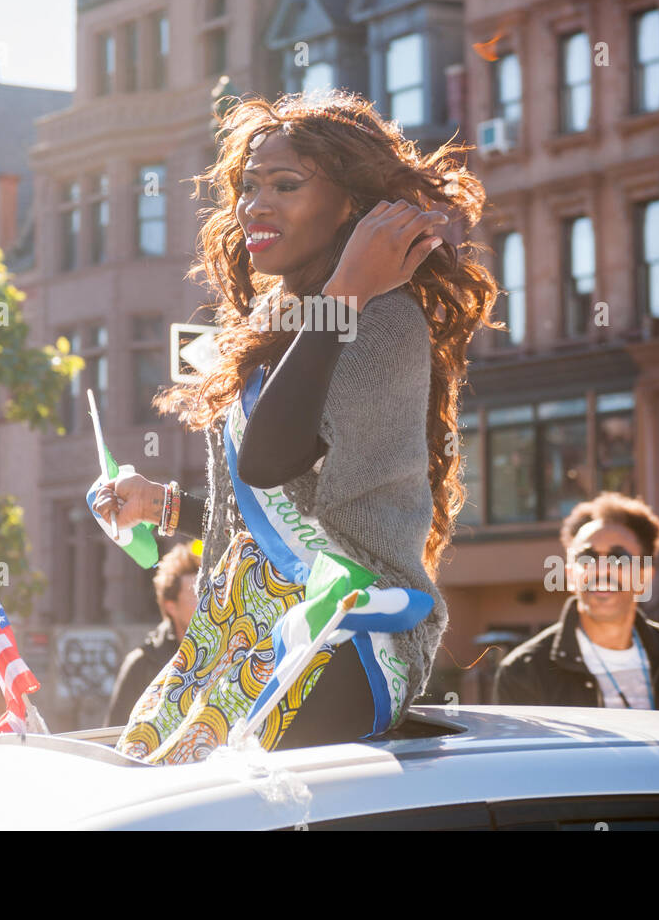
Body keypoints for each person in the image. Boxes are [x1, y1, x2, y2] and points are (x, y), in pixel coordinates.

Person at [92, 90, 497, 762]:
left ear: (349, 206)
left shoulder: (382, 320)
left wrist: (346, 290)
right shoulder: (276, 319)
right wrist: (160, 504)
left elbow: (268, 462)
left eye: (286, 184)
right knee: (145, 779)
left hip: (347, 631)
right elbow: (258, 518)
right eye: (249, 186)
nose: (255, 204)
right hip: (237, 626)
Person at [494, 492, 659, 713]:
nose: (601, 569)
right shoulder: (524, 671)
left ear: (644, 577)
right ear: (571, 575)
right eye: (587, 557)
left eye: (619, 558)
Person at [105, 543, 199, 726]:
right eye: (195, 596)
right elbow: (113, 734)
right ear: (171, 606)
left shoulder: (221, 653)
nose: (204, 603)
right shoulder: (141, 664)